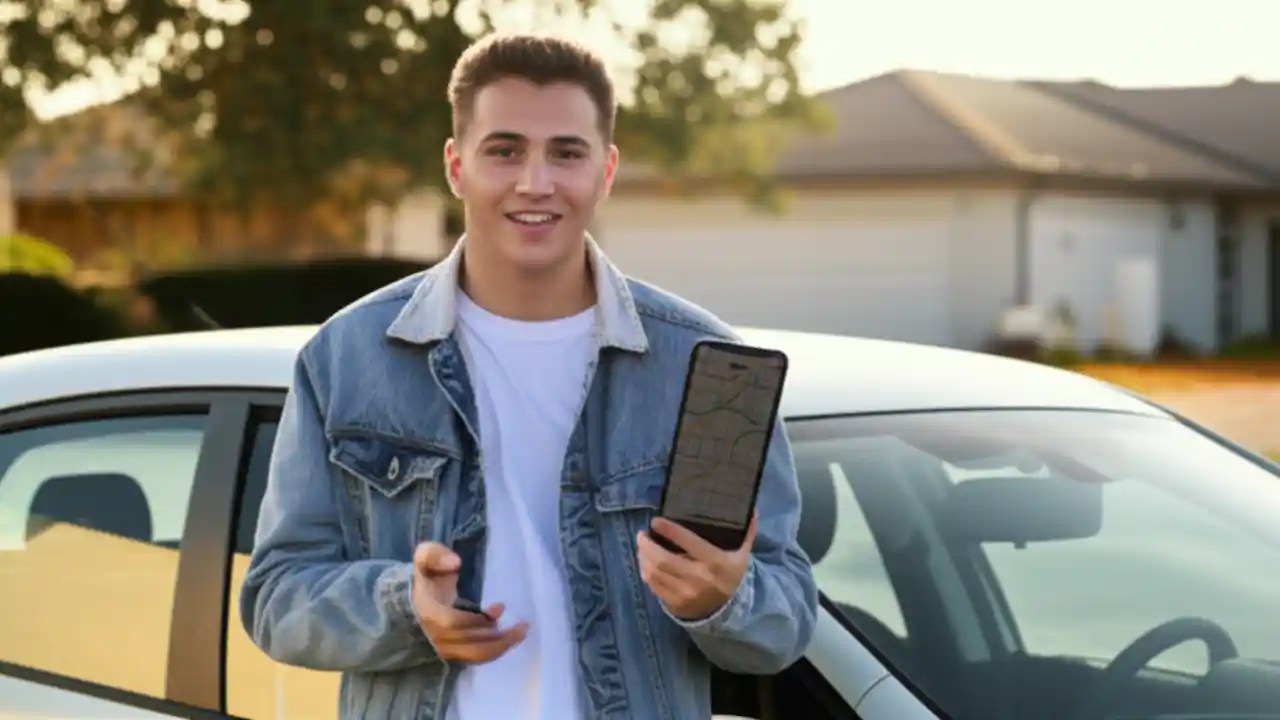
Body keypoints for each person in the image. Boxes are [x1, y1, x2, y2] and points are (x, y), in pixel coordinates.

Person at [239, 32, 817, 720]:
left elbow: (787, 618)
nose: (535, 183)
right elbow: (276, 597)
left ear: (605, 170)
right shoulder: (348, 358)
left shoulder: (703, 368)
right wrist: (404, 604)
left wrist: (724, 600)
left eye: (566, 154)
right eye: (505, 150)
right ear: (457, 167)